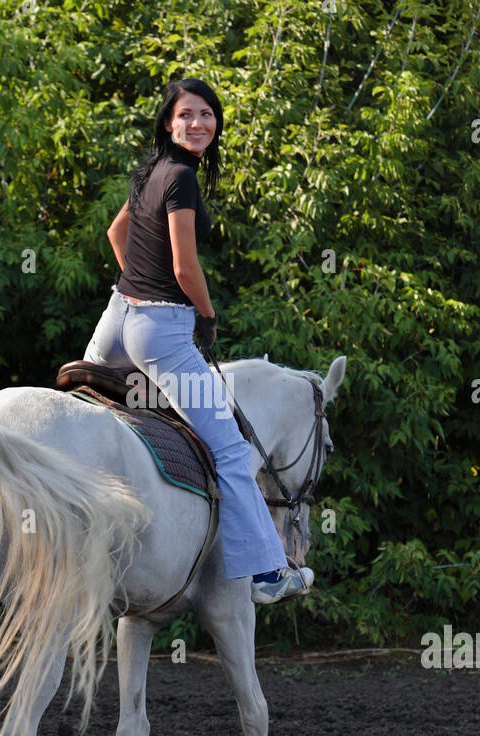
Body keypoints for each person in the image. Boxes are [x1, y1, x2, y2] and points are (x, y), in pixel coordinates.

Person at [83, 76, 313, 605]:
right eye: (187, 115)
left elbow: (119, 234)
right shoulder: (181, 178)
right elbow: (186, 267)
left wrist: (139, 284)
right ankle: (267, 573)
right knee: (232, 450)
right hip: (159, 332)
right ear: (169, 121)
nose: (198, 123)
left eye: (207, 114)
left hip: (117, 318)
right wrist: (203, 316)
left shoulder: (152, 170)